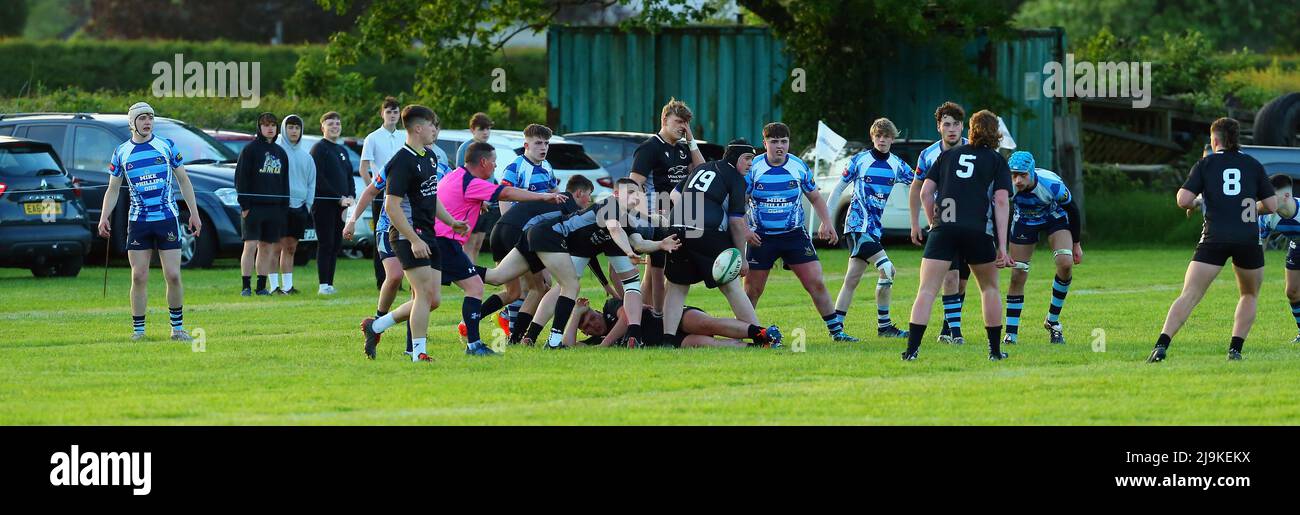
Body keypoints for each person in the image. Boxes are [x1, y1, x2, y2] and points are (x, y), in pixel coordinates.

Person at [484, 178, 678, 348]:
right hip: (553, 236)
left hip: (563, 241)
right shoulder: (611, 206)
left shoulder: (628, 219)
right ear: (616, 194)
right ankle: (551, 342)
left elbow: (639, 243)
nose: (636, 198)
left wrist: (661, 244)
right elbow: (615, 229)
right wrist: (628, 252)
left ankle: (459, 271)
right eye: (631, 193)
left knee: (498, 277)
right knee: (568, 287)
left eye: (639, 196)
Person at [1149, 118, 1277, 362]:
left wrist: (1198, 202)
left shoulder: (1205, 164)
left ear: (1214, 140)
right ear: (1237, 139)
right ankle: (1235, 350)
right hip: (1247, 239)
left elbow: (1183, 199)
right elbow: (1271, 205)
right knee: (1249, 295)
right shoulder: (1253, 164)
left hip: (1214, 238)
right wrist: (1247, 209)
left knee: (1189, 294)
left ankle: (1162, 344)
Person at [435, 141, 566, 355]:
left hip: (456, 240)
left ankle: (380, 326)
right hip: (448, 243)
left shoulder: (456, 176)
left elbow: (451, 197)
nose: (496, 166)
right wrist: (544, 196)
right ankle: (491, 342)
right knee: (533, 286)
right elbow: (506, 193)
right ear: (484, 162)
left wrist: (479, 203)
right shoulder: (480, 178)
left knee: (511, 291)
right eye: (494, 162)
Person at [904, 110, 1015, 362]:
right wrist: (1003, 246)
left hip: (944, 227)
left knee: (927, 290)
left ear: (970, 129)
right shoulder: (996, 161)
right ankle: (995, 351)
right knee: (989, 289)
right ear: (995, 133)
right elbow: (1000, 201)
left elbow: (924, 192)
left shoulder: (947, 155)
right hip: (977, 230)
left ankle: (911, 351)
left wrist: (934, 221)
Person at [360, 105, 468, 362]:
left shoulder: (430, 156)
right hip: (409, 236)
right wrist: (414, 239)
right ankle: (418, 352)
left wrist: (451, 222)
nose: (435, 130)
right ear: (419, 128)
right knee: (423, 294)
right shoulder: (402, 161)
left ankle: (376, 326)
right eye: (432, 125)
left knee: (433, 299)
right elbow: (391, 206)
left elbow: (432, 197)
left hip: (428, 235)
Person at [97, 102, 201, 341]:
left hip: (167, 219)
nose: (147, 122)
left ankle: (177, 329)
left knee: (173, 275)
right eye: (142, 118)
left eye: (150, 118)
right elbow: (113, 189)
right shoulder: (121, 152)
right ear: (132, 123)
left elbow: (184, 181)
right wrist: (104, 216)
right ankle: (139, 332)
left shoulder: (166, 146)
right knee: (138, 276)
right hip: (138, 222)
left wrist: (194, 214)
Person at [739, 122, 848, 341]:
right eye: (774, 142)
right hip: (761, 237)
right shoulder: (755, 168)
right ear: (765, 143)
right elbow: (740, 203)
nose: (779, 146)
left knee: (816, 281)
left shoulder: (798, 166)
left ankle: (837, 333)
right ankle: (743, 333)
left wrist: (827, 222)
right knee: (752, 290)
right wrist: (746, 229)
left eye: (784, 141)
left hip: (794, 235)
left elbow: (815, 197)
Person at [662, 139, 760, 348]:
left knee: (677, 286)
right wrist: (742, 259)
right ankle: (760, 334)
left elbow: (674, 194)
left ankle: (668, 340)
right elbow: (736, 223)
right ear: (735, 158)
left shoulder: (703, 167)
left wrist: (691, 214)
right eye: (748, 159)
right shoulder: (736, 178)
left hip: (676, 224)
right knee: (731, 284)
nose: (751, 164)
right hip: (706, 230)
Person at [828, 118, 915, 340]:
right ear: (873, 137)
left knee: (852, 279)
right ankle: (884, 327)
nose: (882, 139)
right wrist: (827, 220)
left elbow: (919, 183)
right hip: (857, 225)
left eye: (887, 136)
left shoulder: (897, 164)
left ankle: (837, 330)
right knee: (887, 269)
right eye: (878, 136)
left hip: (874, 229)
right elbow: (838, 190)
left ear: (892, 138)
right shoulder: (860, 160)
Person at [628, 98, 706, 312]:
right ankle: (656, 318)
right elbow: (633, 186)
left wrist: (691, 141)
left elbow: (702, 172)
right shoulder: (649, 148)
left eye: (687, 123)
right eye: (679, 121)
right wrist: (648, 215)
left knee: (659, 275)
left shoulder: (683, 149)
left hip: (679, 217)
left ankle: (642, 319)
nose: (683, 127)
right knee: (658, 273)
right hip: (657, 217)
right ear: (664, 119)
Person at [1004, 151, 1083, 345]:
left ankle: (1053, 321)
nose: (1018, 180)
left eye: (1022, 175)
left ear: (1031, 172)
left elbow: (1073, 209)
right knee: (1018, 274)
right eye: (1014, 175)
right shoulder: (1006, 186)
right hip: (1024, 221)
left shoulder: (1051, 184)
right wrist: (1000, 245)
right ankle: (1010, 334)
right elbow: (999, 211)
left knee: (1065, 263)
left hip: (1053, 218)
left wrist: (1076, 244)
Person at [910, 101, 971, 344]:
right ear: (939, 127)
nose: (952, 129)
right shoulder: (928, 155)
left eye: (956, 124)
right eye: (947, 124)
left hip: (972, 221)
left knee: (962, 281)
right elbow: (918, 189)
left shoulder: (975, 149)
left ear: (962, 126)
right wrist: (918, 222)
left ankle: (948, 326)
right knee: (949, 278)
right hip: (944, 220)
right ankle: (955, 333)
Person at [565, 297, 782, 349]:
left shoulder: (610, 307)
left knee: (708, 324)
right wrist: (576, 314)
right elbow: (568, 345)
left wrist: (605, 346)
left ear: (595, 310)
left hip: (668, 318)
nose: (593, 325)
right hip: (667, 341)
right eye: (586, 327)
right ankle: (759, 347)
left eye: (591, 318)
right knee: (707, 343)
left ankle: (762, 333)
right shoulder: (593, 341)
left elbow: (627, 317)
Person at [235, 112, 289, 296]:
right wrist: (245, 205)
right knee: (250, 245)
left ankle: (261, 286)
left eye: (273, 125)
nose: (270, 128)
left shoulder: (281, 153)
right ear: (259, 127)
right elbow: (241, 178)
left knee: (266, 247)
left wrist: (283, 207)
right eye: (266, 125)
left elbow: (284, 183)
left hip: (274, 208)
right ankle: (245, 286)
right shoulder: (250, 150)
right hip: (254, 207)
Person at [360, 97, 405, 290]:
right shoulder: (373, 137)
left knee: (402, 233)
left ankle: (400, 279)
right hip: (381, 194)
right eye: (389, 112)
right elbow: (364, 168)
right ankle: (382, 279)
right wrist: (373, 189)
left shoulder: (405, 136)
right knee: (382, 236)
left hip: (403, 195)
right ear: (382, 114)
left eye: (396, 112)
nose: (393, 115)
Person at [310, 111, 356, 295]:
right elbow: (318, 178)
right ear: (323, 127)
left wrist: (351, 195)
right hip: (324, 205)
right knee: (326, 243)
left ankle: (330, 283)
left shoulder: (342, 150)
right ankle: (323, 285)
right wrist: (338, 197)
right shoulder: (319, 149)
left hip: (342, 206)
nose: (335, 126)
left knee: (336, 244)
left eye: (337, 123)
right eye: (331, 124)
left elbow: (348, 176)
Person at [272, 114, 316, 295]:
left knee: (290, 247)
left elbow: (311, 183)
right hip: (279, 207)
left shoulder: (307, 157)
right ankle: (273, 286)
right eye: (290, 127)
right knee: (275, 247)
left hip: (300, 209)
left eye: (297, 128)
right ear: (284, 129)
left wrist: (307, 206)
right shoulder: (275, 152)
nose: (294, 131)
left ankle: (287, 286)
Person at [1257, 174, 1300, 344]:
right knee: (1292, 292)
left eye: (1270, 197)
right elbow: (1259, 243)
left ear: (1286, 196)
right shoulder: (1267, 217)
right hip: (1296, 245)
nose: (1266, 202)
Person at [457, 112, 498, 263]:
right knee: (468, 243)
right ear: (472, 130)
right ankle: (468, 277)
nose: (486, 132)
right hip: (472, 202)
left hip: (487, 203)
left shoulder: (489, 148)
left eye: (488, 129)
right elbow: (462, 176)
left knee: (478, 244)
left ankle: (472, 275)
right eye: (482, 129)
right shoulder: (465, 148)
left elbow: (491, 177)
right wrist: (479, 199)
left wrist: (488, 198)